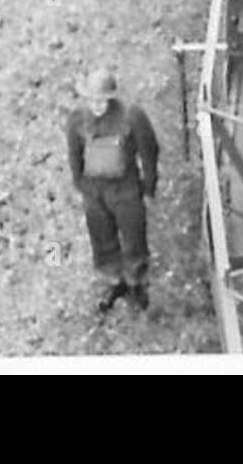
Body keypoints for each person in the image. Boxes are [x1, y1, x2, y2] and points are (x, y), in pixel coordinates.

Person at [66, 69, 160, 313]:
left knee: (134, 240)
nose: (97, 105)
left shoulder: (132, 117)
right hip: (95, 192)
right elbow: (74, 153)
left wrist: (149, 188)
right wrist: (80, 183)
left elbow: (149, 151)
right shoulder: (77, 119)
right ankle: (114, 282)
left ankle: (136, 283)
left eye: (102, 99)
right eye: (92, 99)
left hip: (126, 190)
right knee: (102, 239)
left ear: (111, 98)